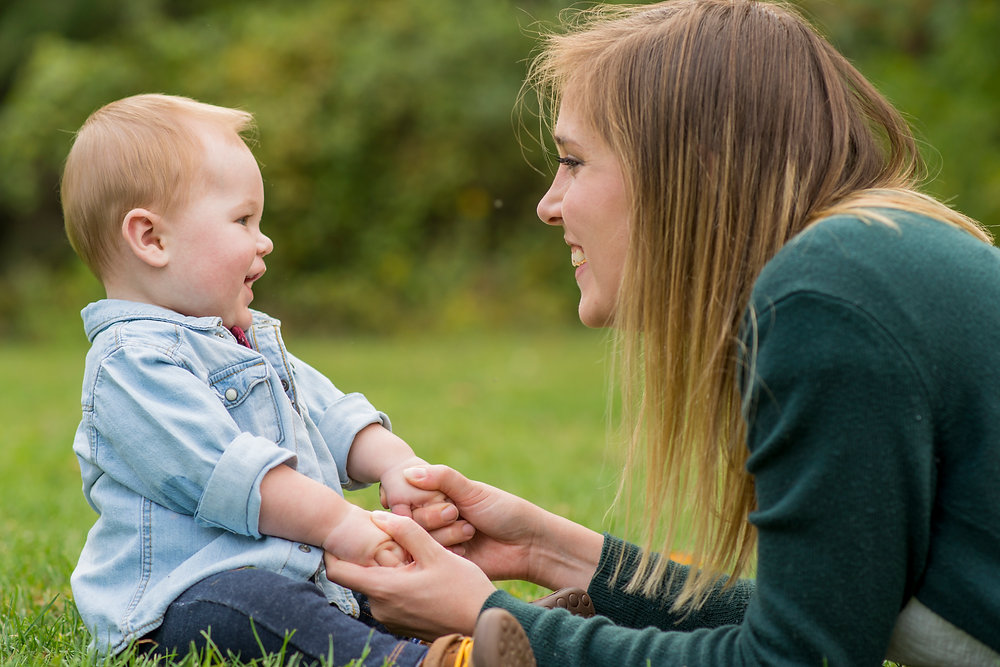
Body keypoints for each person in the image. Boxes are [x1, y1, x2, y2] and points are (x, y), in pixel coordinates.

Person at [325, 1, 1000, 665]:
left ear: (693, 165)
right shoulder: (868, 259)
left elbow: (795, 659)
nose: (548, 205)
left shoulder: (827, 295)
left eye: (575, 160)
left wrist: (493, 618)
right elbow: (820, 623)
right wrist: (546, 550)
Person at [60, 93, 536, 667]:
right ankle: (421, 661)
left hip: (304, 577)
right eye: (242, 220)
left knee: (371, 590)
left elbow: (331, 417)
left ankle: (513, 635)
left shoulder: (247, 338)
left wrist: (396, 466)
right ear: (151, 239)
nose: (264, 241)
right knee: (258, 604)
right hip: (185, 603)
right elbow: (230, 474)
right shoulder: (130, 365)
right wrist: (345, 524)